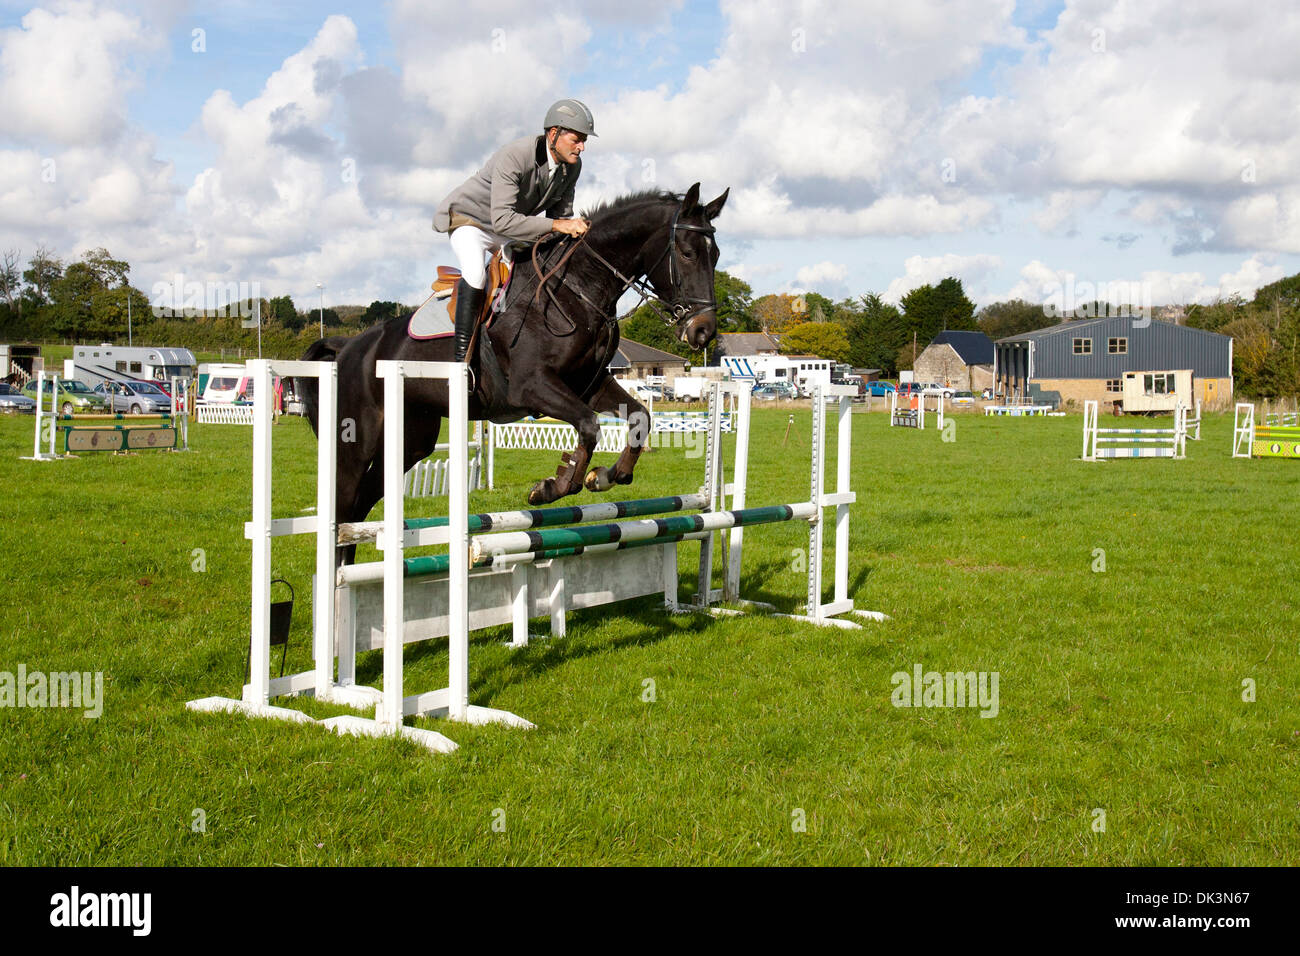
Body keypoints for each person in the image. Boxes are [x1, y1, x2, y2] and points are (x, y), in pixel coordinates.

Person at [434, 98, 597, 362]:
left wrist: (574, 231)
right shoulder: (515, 156)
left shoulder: (572, 167)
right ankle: (461, 361)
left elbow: (561, 218)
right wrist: (559, 225)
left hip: (511, 228)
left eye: (584, 141)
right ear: (553, 134)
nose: (581, 147)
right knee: (475, 274)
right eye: (576, 139)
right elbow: (502, 221)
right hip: (472, 222)